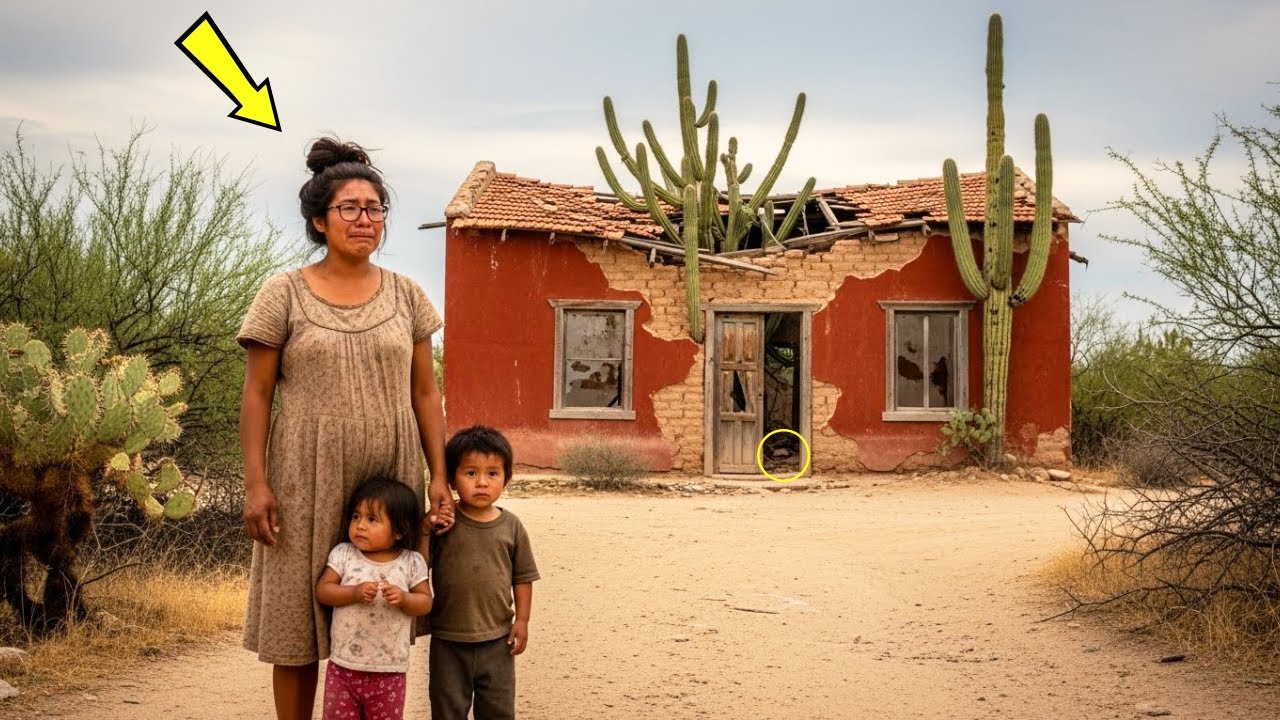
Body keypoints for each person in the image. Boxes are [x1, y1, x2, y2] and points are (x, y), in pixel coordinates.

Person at [238, 137, 455, 720]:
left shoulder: (408, 295)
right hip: (304, 472)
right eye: (350, 208)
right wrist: (255, 483)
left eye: (376, 208)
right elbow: (257, 393)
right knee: (298, 618)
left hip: (389, 470)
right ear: (318, 219)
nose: (366, 219)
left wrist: (438, 474)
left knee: (382, 604)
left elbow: (425, 391)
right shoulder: (282, 291)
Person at [428, 426, 540, 720]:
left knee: (498, 711)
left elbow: (523, 576)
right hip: (448, 639)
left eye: (492, 473)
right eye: (471, 473)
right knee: (447, 711)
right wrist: (428, 529)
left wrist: (523, 620)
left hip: (497, 640)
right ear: (451, 478)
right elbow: (417, 564)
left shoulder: (511, 526)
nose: (482, 483)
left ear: (506, 478)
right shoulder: (444, 522)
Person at [316, 476, 432, 720]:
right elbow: (323, 590)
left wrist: (404, 599)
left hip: (389, 671)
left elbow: (425, 602)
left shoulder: (411, 562)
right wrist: (353, 593)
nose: (360, 526)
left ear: (399, 531)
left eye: (372, 519)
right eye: (356, 516)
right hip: (343, 667)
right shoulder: (344, 554)